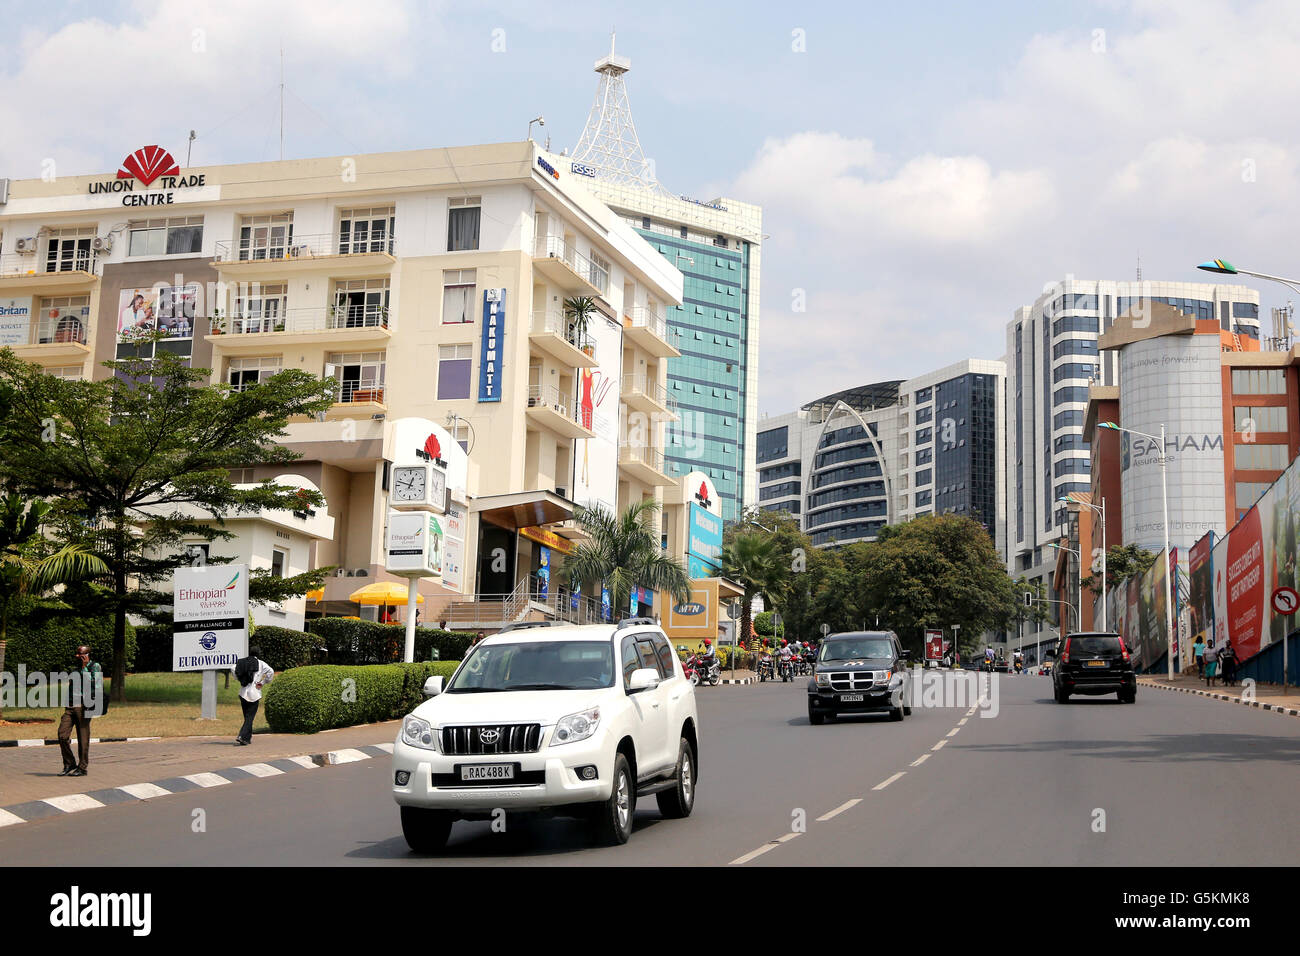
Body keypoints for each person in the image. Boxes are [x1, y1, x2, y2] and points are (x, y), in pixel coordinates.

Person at [58, 645, 100, 777]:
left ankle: (82, 768)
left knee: (83, 738)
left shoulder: (95, 666)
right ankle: (70, 763)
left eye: (80, 654)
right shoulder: (74, 668)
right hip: (70, 706)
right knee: (62, 735)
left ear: (87, 655)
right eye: (77, 654)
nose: (77, 656)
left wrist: (85, 666)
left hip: (84, 706)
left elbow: (94, 684)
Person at [232, 646, 274, 746]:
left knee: (247, 716)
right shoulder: (261, 663)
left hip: (243, 692)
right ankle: (241, 736)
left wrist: (238, 679)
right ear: (258, 654)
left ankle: (247, 739)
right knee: (249, 717)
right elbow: (271, 671)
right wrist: (263, 682)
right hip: (254, 692)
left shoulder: (242, 662)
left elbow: (233, 668)